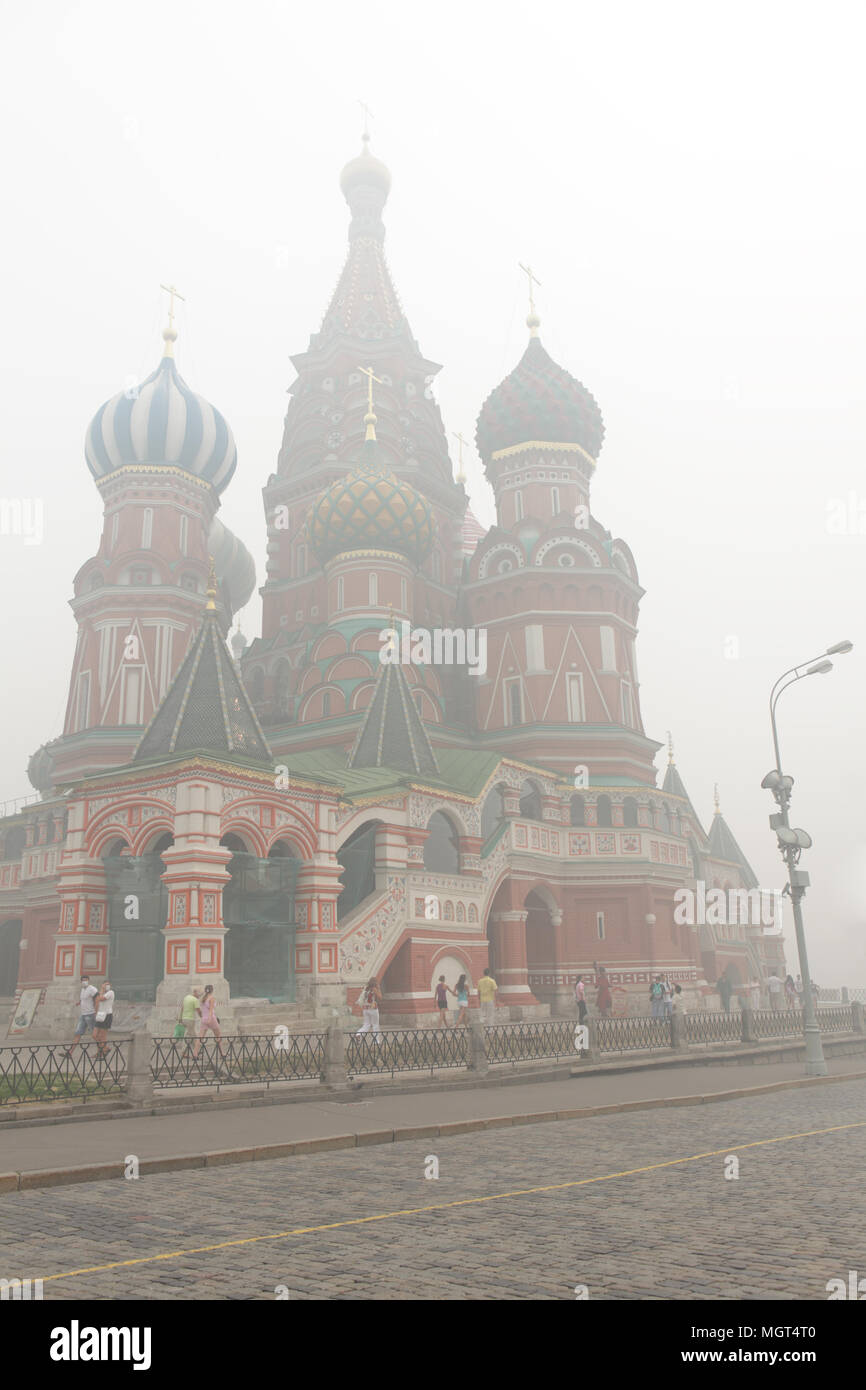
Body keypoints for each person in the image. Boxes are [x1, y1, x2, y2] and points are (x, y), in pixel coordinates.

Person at [65, 974, 98, 1055]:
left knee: (95, 1035)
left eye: (86, 980)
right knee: (77, 1033)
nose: (84, 982)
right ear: (81, 981)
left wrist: (96, 1012)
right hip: (83, 1015)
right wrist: (79, 1003)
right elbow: (83, 1000)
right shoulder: (82, 990)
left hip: (90, 1014)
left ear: (88, 980)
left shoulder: (92, 989)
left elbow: (97, 1000)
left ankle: (103, 1049)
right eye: (83, 980)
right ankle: (70, 1052)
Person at [193, 984, 226, 1061]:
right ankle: (223, 1054)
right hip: (211, 1019)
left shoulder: (203, 999)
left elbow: (202, 1010)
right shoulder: (212, 998)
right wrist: (210, 1019)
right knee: (218, 1036)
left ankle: (195, 1054)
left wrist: (205, 1018)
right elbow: (211, 1010)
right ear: (212, 990)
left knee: (200, 1037)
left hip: (204, 1019)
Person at [92, 978, 115, 1058]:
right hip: (100, 1015)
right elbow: (97, 1002)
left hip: (107, 1015)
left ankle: (100, 1052)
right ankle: (105, 1048)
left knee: (102, 1036)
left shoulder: (111, 992)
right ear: (102, 985)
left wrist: (102, 990)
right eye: (105, 984)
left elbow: (101, 999)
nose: (107, 986)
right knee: (95, 1035)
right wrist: (95, 1012)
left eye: (108, 985)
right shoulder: (100, 993)